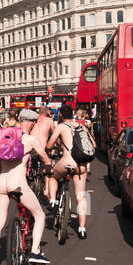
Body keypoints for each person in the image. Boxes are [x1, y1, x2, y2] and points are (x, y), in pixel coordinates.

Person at [0, 109, 52, 265]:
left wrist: (1, 170)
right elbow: (44, 157)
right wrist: (49, 166)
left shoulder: (2, 137)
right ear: (33, 122)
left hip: (1, 183)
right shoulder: (29, 140)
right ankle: (35, 251)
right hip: (18, 184)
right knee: (40, 215)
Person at [45, 101, 91, 238]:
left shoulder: (61, 126)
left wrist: (55, 146)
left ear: (60, 115)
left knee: (53, 176)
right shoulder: (82, 127)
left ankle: (53, 201)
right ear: (72, 114)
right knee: (81, 196)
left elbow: (49, 145)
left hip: (67, 162)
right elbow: (92, 143)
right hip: (81, 165)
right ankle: (82, 229)